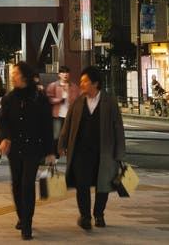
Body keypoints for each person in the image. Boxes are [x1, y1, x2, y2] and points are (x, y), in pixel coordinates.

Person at [59, 65, 125, 230]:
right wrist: (62, 144)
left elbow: (118, 128)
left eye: (85, 81)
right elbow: (67, 125)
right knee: (82, 185)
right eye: (81, 81)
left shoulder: (109, 102)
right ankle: (85, 216)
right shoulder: (78, 102)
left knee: (103, 184)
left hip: (104, 152)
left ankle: (99, 214)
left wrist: (119, 153)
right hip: (81, 152)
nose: (81, 84)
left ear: (95, 83)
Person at [0, 61, 55, 241]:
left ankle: (27, 223)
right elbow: (2, 121)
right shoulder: (8, 98)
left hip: (33, 147)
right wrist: (4, 137)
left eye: (15, 73)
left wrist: (51, 151)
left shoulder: (39, 98)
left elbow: (47, 126)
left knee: (27, 183)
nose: (12, 76)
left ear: (24, 76)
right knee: (16, 183)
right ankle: (21, 216)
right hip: (15, 147)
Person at [46, 66, 80, 151]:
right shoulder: (53, 85)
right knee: (56, 135)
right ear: (59, 74)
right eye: (63, 72)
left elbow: (77, 100)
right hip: (57, 115)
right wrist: (60, 100)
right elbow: (49, 99)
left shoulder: (74, 87)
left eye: (67, 73)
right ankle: (55, 154)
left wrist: (68, 94)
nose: (65, 74)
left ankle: (66, 153)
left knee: (69, 135)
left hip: (69, 115)